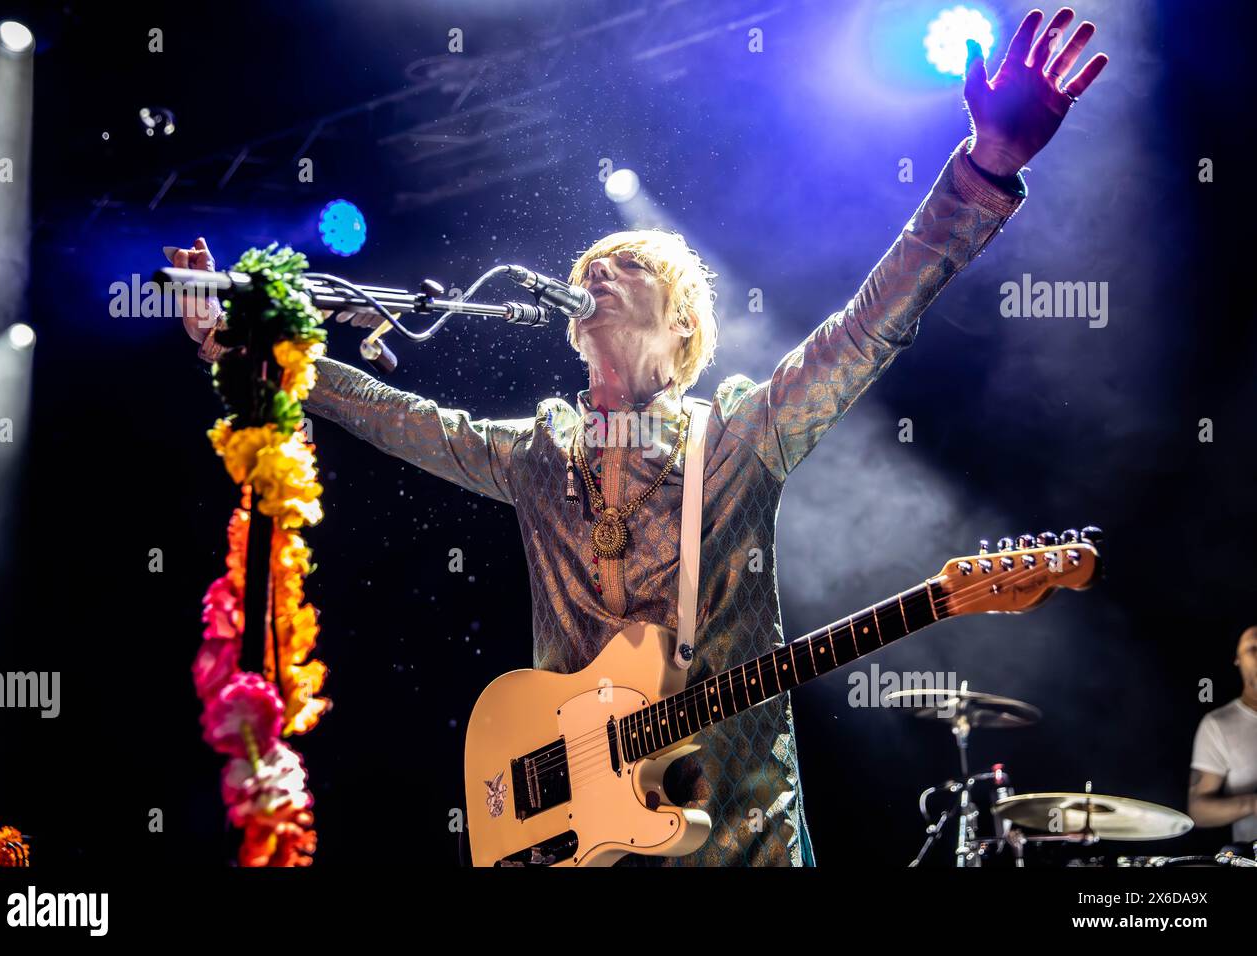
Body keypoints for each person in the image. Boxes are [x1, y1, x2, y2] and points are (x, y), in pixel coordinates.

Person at [177, 8, 1107, 865]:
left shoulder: (741, 436)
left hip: (736, 833)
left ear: (681, 329)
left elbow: (866, 329)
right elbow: (405, 419)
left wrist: (982, 171)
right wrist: (263, 359)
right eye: (592, 268)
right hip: (580, 833)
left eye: (626, 264)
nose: (599, 271)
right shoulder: (536, 454)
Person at [1188, 626, 1257, 845]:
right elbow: (1198, 810)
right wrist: (1253, 804)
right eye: (1253, 648)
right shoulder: (1218, 725)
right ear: (1238, 660)